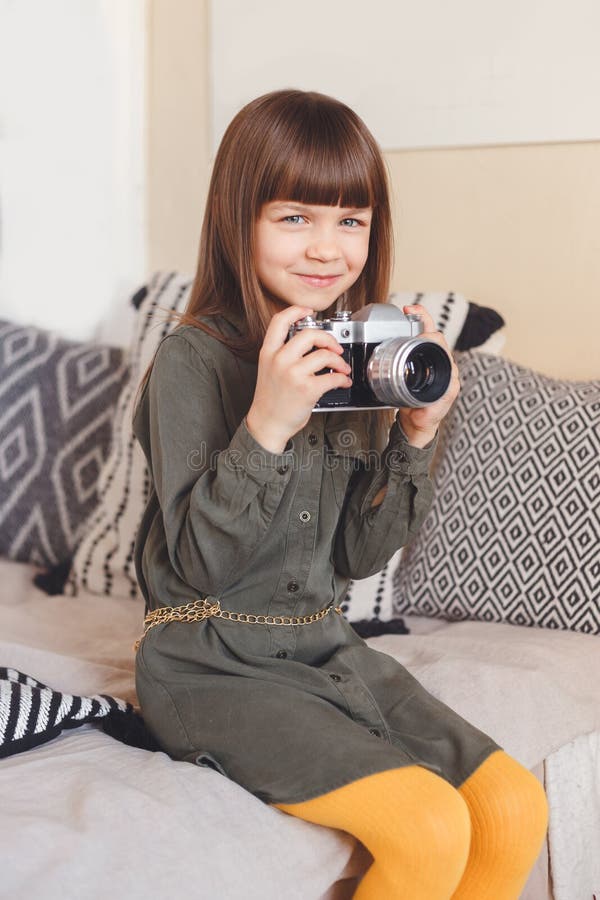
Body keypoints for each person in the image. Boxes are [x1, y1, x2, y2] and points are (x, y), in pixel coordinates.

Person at [131, 89, 548, 899]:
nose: (327, 249)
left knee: (511, 805)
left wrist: (416, 437)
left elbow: (359, 557)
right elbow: (197, 569)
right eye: (295, 218)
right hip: (207, 663)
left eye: (350, 220)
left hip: (323, 647)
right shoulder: (193, 361)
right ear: (238, 220)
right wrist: (268, 425)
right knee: (426, 826)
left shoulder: (356, 355)